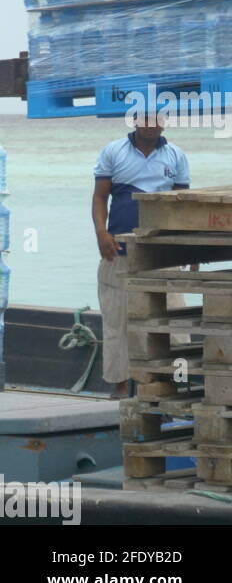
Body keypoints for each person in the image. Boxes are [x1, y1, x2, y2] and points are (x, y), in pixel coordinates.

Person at [93, 113, 191, 399]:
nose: (150, 124)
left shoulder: (176, 156)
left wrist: (187, 246)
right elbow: (100, 197)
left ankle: (175, 385)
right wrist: (101, 233)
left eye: (156, 119)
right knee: (117, 321)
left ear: (165, 121)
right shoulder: (113, 152)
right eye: (145, 118)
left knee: (173, 322)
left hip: (162, 254)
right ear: (134, 120)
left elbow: (182, 206)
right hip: (119, 252)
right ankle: (120, 388)